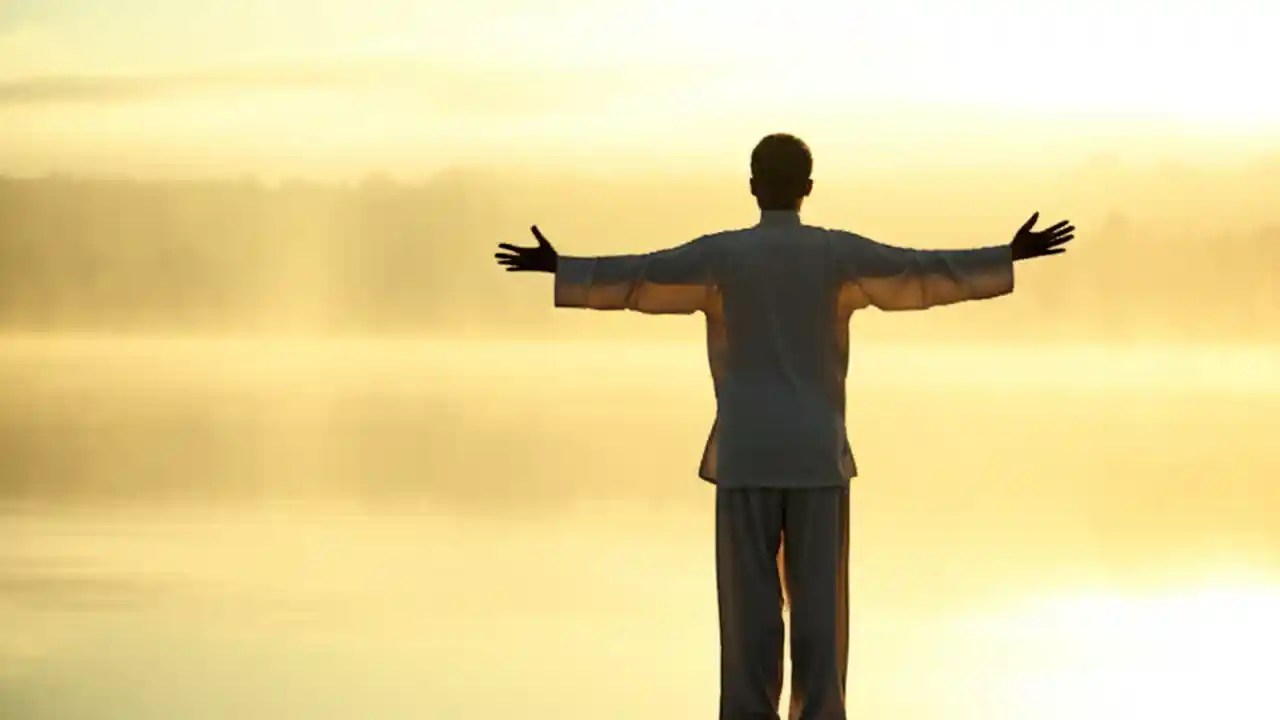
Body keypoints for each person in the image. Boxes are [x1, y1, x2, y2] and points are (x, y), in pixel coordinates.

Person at [493, 133, 1074, 720]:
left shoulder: (725, 255)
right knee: (820, 616)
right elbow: (921, 272)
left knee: (749, 619)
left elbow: (642, 277)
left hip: (748, 455)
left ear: (752, 186)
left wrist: (561, 268)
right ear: (808, 189)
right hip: (815, 455)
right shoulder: (832, 254)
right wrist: (1005, 256)